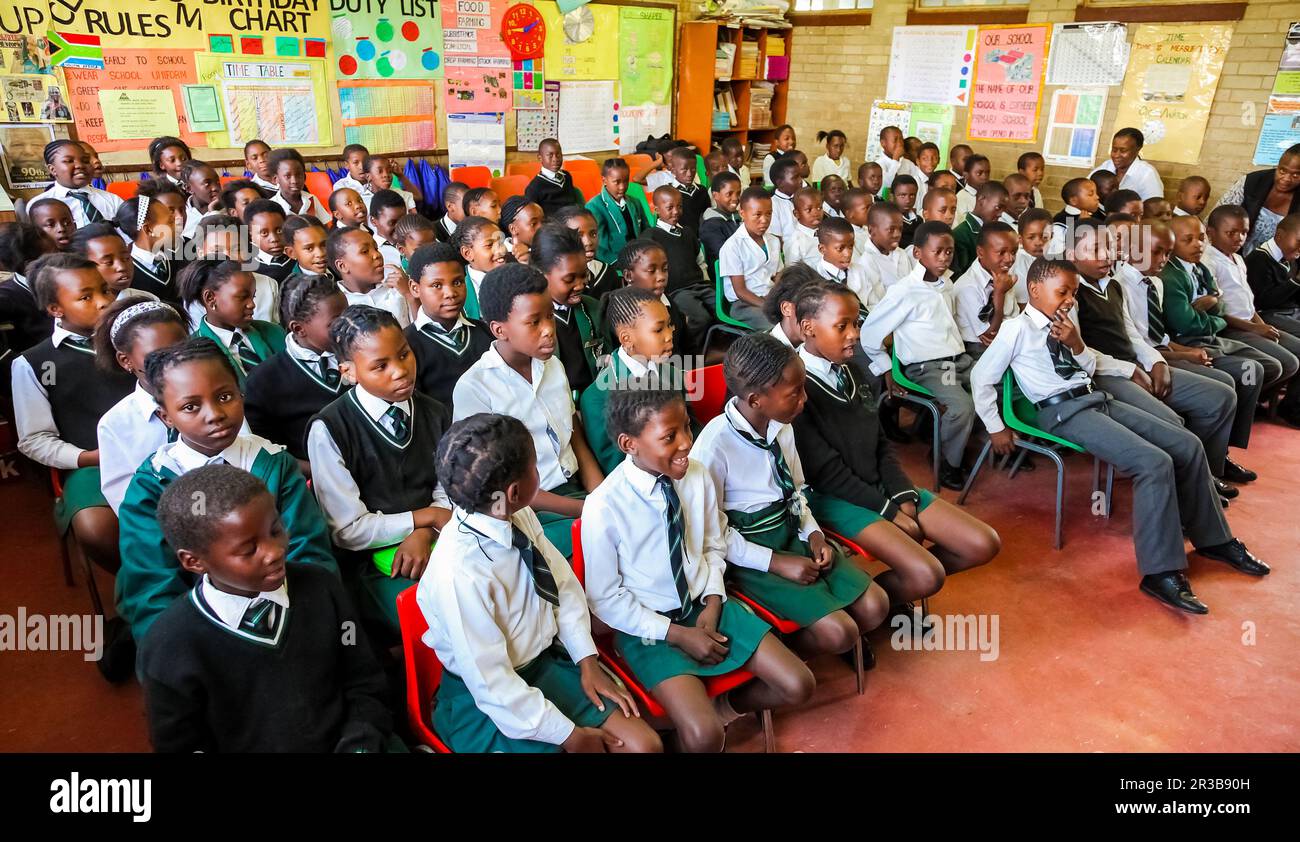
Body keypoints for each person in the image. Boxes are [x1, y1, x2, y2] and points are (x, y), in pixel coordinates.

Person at [970, 258, 1269, 615]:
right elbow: (980, 378)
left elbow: (1086, 367)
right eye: (1062, 292)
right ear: (1035, 290)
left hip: (1094, 397)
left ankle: (1214, 539)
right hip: (1060, 412)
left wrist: (1077, 344)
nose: (1069, 299)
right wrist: (996, 426)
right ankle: (1160, 572)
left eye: (1074, 293)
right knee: (1152, 462)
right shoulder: (1015, 329)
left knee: (1186, 443)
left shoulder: (1066, 323)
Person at [582, 388, 815, 752]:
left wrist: (712, 603)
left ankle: (724, 708)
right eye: (669, 437)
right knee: (705, 738)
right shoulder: (604, 505)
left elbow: (711, 544)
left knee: (799, 684)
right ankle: (695, 723)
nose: (687, 443)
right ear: (629, 444)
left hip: (703, 605)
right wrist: (676, 634)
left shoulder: (696, 476)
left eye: (687, 428)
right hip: (649, 627)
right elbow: (606, 599)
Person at [417, 413, 661, 754]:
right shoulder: (458, 573)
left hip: (545, 666)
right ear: (516, 491)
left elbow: (560, 584)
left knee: (644, 746)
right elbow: (492, 684)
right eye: (536, 467)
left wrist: (587, 659)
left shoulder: (516, 514)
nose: (540, 474)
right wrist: (570, 736)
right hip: (489, 698)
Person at [138, 465, 396, 753]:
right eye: (248, 550)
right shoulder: (170, 644)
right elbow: (182, 746)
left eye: (276, 530)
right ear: (194, 562)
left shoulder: (322, 587)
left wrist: (361, 743)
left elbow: (364, 681)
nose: (275, 552)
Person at [791, 281, 999, 609]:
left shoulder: (853, 370)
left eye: (856, 324)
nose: (854, 334)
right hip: (833, 497)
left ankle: (885, 595)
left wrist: (902, 494)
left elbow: (880, 442)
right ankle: (873, 606)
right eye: (841, 326)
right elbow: (826, 472)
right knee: (928, 575)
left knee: (982, 543)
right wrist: (887, 510)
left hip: (878, 485)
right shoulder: (795, 386)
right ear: (808, 328)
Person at [115, 338, 337, 643]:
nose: (214, 414)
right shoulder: (153, 484)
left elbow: (308, 552)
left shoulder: (274, 463)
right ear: (166, 416)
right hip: (202, 628)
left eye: (225, 396)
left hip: (287, 610)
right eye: (191, 407)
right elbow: (153, 587)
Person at [694, 333, 887, 660]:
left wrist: (812, 533)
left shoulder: (781, 424)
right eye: (794, 393)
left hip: (791, 531)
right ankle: (796, 648)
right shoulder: (713, 447)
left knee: (876, 606)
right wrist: (776, 563)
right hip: (751, 552)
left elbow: (795, 490)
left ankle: (829, 626)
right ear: (756, 399)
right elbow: (711, 535)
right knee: (840, 633)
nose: (804, 400)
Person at [306, 305, 452, 632]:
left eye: (404, 355)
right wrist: (423, 518)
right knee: (442, 613)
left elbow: (447, 492)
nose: (400, 371)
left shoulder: (434, 411)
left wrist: (425, 531)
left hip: (436, 541)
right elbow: (347, 530)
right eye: (380, 366)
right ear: (349, 372)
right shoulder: (330, 428)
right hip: (370, 565)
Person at [452, 263, 605, 557]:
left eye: (549, 316)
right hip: (525, 511)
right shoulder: (476, 388)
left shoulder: (553, 367)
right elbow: (497, 487)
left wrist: (601, 498)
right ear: (500, 330)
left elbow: (575, 439)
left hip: (574, 492)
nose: (549, 330)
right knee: (593, 549)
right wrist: (583, 509)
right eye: (534, 322)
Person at [13, 254, 133, 573]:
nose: (104, 302)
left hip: (159, 449)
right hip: (95, 463)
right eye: (86, 297)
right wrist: (86, 458)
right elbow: (34, 439)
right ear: (55, 309)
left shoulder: (134, 337)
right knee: (97, 528)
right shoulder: (36, 363)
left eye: (105, 291)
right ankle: (143, 584)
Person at [859, 222, 974, 490]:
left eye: (949, 251)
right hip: (930, 367)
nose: (945, 257)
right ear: (918, 254)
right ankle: (947, 462)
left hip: (958, 361)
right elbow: (870, 334)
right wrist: (887, 369)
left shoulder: (945, 284)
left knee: (992, 381)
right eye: (938, 252)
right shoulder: (904, 291)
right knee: (961, 407)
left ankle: (935, 435)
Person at [93, 298, 191, 514]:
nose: (174, 362)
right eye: (157, 356)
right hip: (160, 524)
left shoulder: (213, 398)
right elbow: (124, 498)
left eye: (183, 349)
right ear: (125, 360)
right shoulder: (115, 423)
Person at [243, 274, 348, 465]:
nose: (347, 326)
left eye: (348, 315)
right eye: (335, 323)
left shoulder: (361, 354)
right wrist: (324, 471)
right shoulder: (264, 382)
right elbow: (269, 453)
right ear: (299, 329)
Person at [403, 242, 493, 410]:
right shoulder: (406, 345)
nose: (451, 293)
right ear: (415, 288)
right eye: (437, 285)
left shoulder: (485, 332)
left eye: (458, 282)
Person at [181, 259, 287, 384]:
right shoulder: (194, 353)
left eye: (253, 297)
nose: (252, 304)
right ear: (210, 298)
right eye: (242, 297)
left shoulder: (274, 333)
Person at [1215, 143, 1300, 255]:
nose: (1286, 179)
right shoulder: (1252, 182)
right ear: (1277, 166)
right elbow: (1216, 219)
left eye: (1295, 175)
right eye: (1282, 171)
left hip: (1272, 265)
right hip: (1230, 255)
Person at [718, 186, 782, 329]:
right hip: (744, 304)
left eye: (769, 214)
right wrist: (768, 306)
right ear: (743, 213)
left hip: (770, 297)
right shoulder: (732, 246)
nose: (764, 220)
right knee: (777, 325)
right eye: (757, 215)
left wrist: (779, 296)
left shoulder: (773, 240)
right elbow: (740, 291)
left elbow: (778, 274)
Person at [953, 221, 1020, 358]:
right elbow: (989, 334)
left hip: (1006, 341)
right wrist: (999, 293)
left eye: (1013, 252)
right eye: (1001, 253)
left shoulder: (1002, 275)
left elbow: (1013, 317)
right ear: (980, 252)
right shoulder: (967, 287)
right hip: (976, 350)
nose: (1009, 259)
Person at [31, 139, 122, 228]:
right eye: (69, 161)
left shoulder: (112, 200)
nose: (80, 165)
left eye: (85, 161)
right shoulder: (38, 206)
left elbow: (127, 237)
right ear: (52, 169)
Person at [587, 158, 648, 266]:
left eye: (625, 181)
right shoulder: (594, 207)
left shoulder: (635, 202)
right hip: (614, 263)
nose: (622, 187)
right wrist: (623, 264)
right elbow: (600, 248)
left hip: (640, 257)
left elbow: (646, 231)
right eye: (617, 182)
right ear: (604, 180)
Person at [453, 215, 508, 320]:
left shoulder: (516, 275)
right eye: (489, 245)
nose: (501, 250)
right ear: (468, 253)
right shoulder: (458, 287)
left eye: (501, 242)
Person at [951, 182, 1009, 278]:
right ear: (981, 200)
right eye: (998, 207)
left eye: (1004, 210)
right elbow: (959, 276)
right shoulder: (961, 235)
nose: (1000, 214)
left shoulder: (992, 231)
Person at [268, 148, 330, 224]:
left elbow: (325, 229)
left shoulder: (311, 200)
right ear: (275, 179)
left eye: (298, 175)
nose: (294, 181)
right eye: (287, 176)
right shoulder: (271, 207)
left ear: (304, 177)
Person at [525, 138, 585, 216]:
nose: (555, 159)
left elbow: (573, 203)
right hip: (553, 225)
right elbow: (533, 216)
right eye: (550, 155)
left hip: (573, 219)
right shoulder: (534, 187)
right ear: (540, 158)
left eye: (558, 154)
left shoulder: (567, 176)